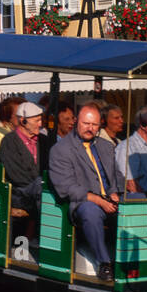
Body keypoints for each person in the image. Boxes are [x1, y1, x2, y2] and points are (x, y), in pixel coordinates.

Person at [48, 103, 119, 282]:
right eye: (86, 123)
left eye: (94, 125)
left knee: (139, 202)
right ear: (76, 122)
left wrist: (116, 192)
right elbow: (67, 188)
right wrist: (99, 200)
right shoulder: (60, 150)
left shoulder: (106, 146)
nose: (90, 128)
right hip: (83, 201)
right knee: (91, 212)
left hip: (109, 198)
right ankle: (104, 263)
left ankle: (134, 259)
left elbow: (116, 175)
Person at [0, 100, 48, 214]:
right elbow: (16, 176)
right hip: (19, 193)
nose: (40, 124)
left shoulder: (44, 140)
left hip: (39, 189)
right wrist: (39, 182)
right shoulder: (9, 142)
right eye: (37, 121)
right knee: (42, 187)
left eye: (41, 120)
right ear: (23, 121)